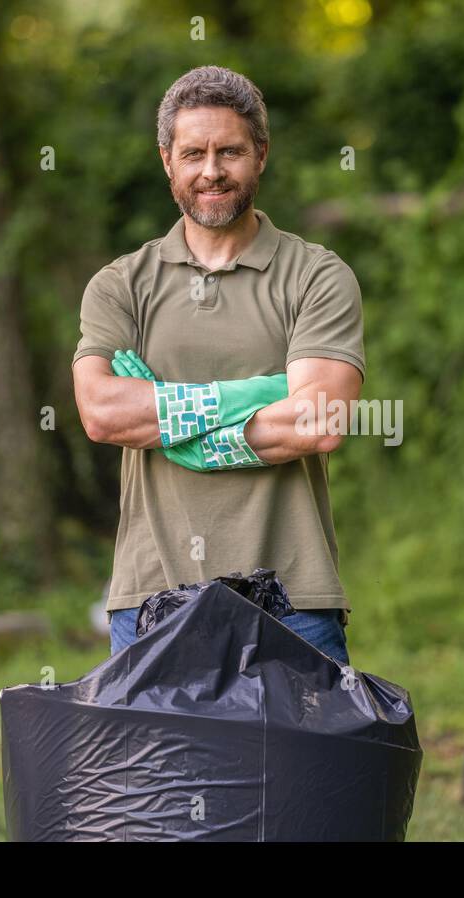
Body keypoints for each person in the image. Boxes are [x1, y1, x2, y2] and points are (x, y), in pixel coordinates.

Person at [72, 65, 364, 665]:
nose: (212, 170)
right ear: (167, 161)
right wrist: (267, 393)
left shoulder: (316, 276)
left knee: (296, 766)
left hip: (294, 599)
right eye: (194, 153)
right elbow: (101, 412)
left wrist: (178, 430)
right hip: (150, 597)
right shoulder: (120, 286)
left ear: (261, 154)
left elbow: (320, 420)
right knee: (157, 766)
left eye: (230, 151)